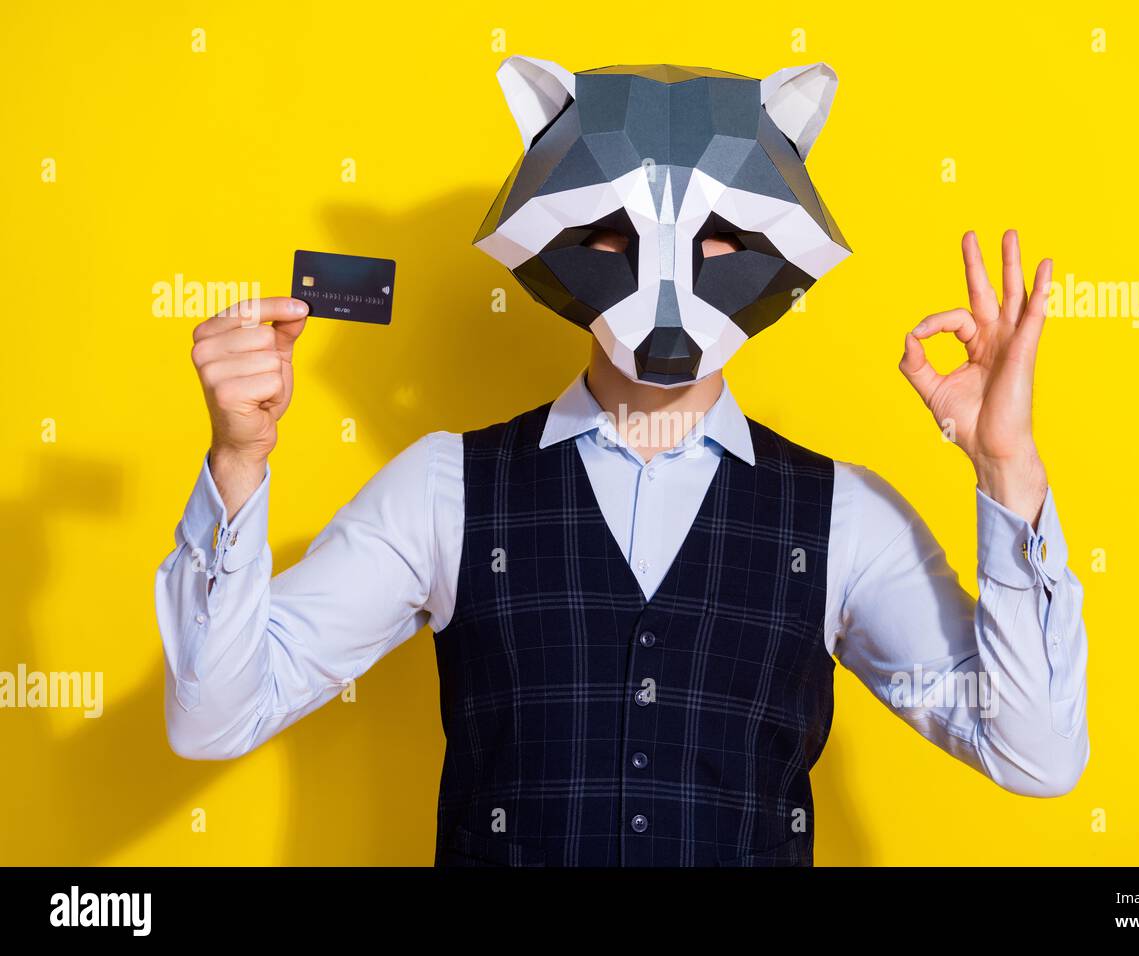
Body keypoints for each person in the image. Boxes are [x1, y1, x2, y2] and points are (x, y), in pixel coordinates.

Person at [155, 60, 1088, 867]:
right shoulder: (444, 490)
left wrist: (1008, 469)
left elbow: (1035, 755)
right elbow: (214, 717)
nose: (671, 282)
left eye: (718, 239)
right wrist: (239, 463)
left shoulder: (841, 516)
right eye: (616, 237)